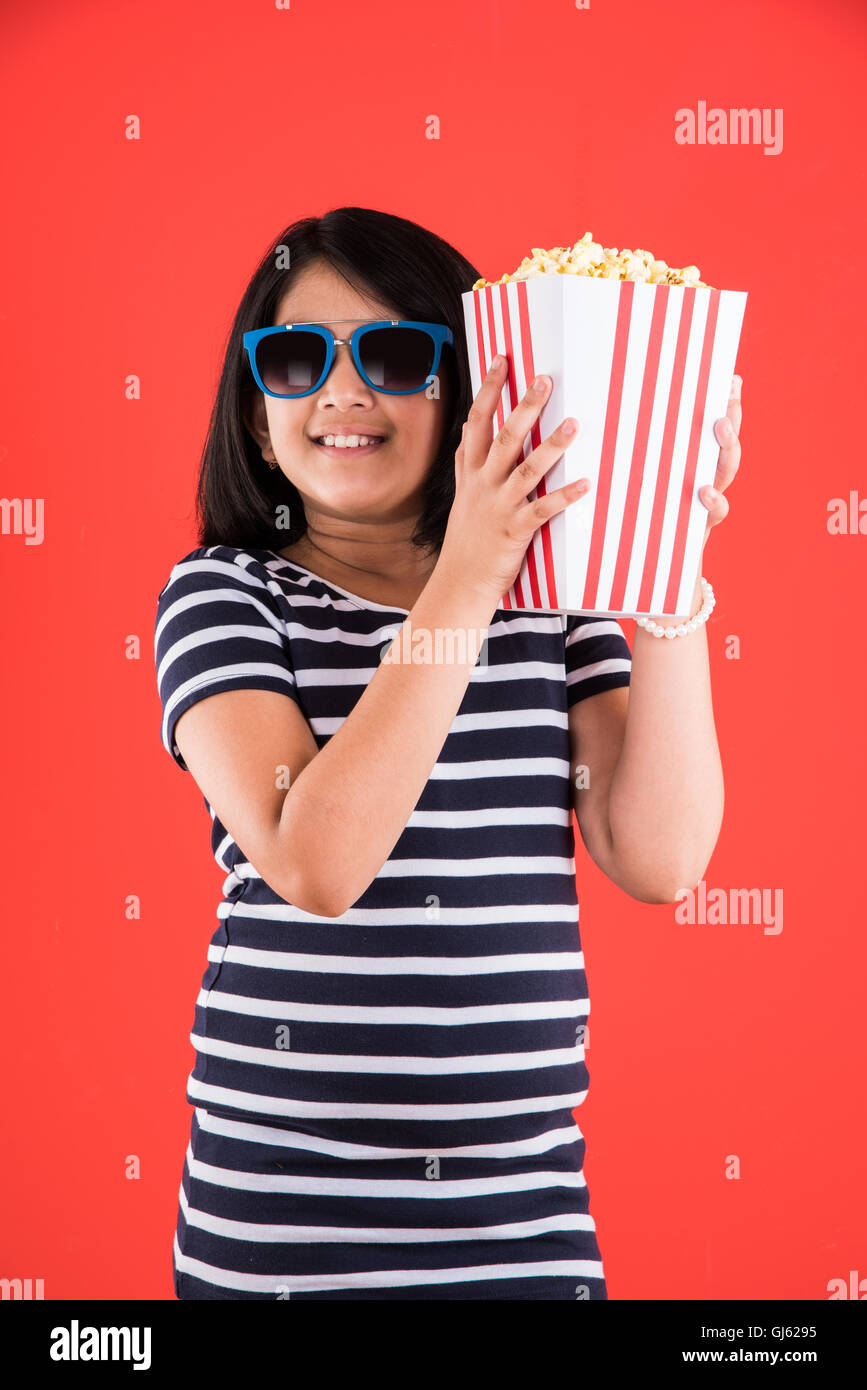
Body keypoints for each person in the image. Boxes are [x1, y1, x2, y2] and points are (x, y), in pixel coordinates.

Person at [153, 205, 739, 1300]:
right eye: (293, 357)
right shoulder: (225, 597)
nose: (341, 392)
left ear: (468, 388)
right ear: (250, 406)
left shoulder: (549, 606)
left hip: (524, 1216)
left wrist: (668, 559)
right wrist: (469, 574)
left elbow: (658, 857)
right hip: (281, 1222)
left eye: (394, 354)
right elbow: (317, 861)